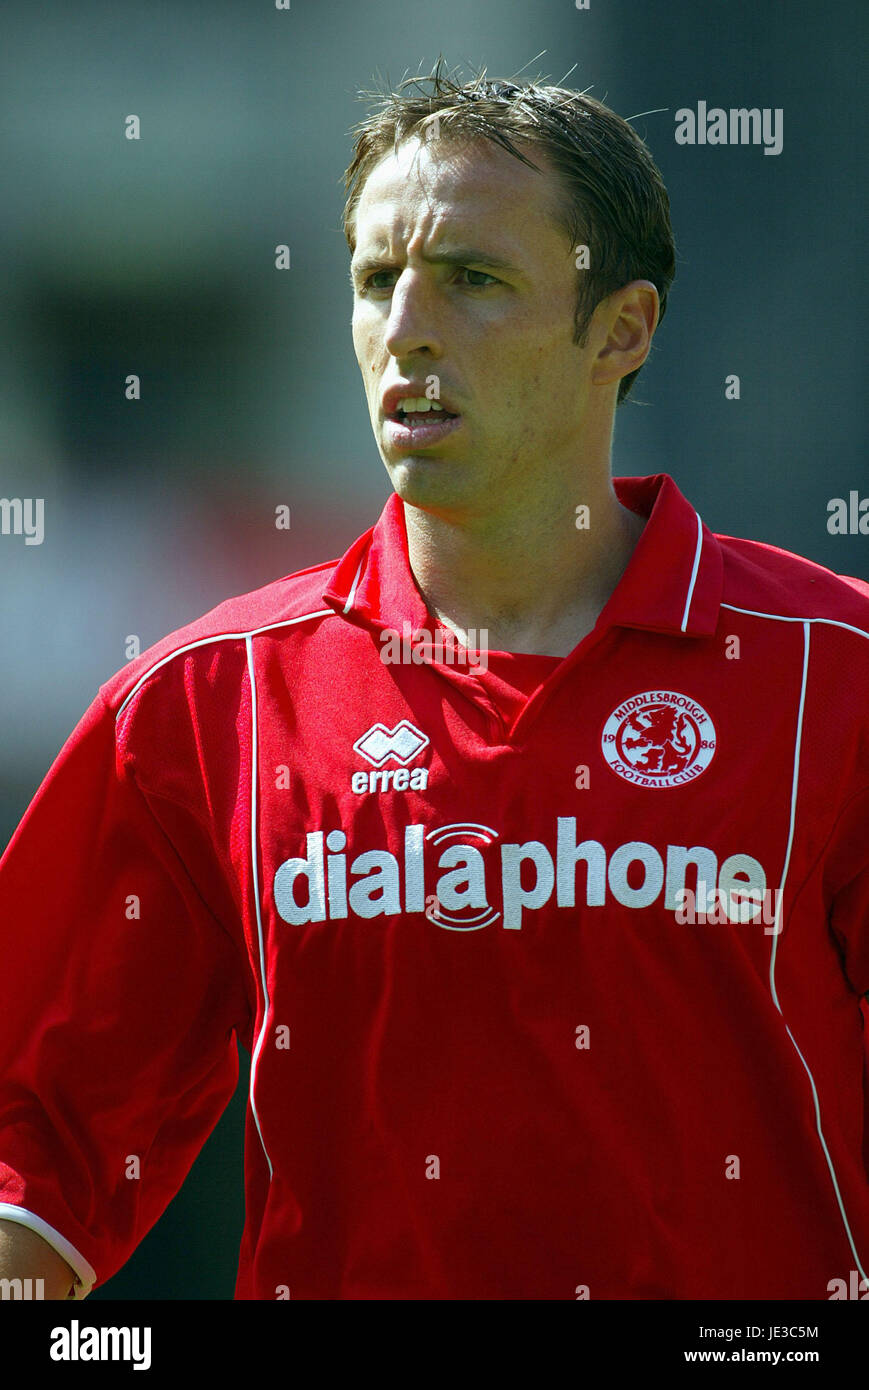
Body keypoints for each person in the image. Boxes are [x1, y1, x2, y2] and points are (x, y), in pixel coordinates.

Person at [1, 62, 867, 1301]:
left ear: (620, 328)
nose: (404, 325)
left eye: (471, 279)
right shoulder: (204, 702)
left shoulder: (832, 675)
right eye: (372, 280)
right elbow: (33, 1162)